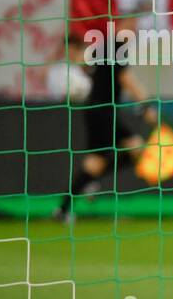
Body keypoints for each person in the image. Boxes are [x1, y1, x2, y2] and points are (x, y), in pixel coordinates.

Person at [55, 33, 154, 223]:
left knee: (136, 147)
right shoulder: (115, 46)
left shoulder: (105, 49)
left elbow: (92, 69)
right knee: (95, 162)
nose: (134, 29)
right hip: (101, 111)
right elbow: (125, 78)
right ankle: (63, 209)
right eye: (131, 23)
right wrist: (146, 105)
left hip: (105, 110)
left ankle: (88, 183)